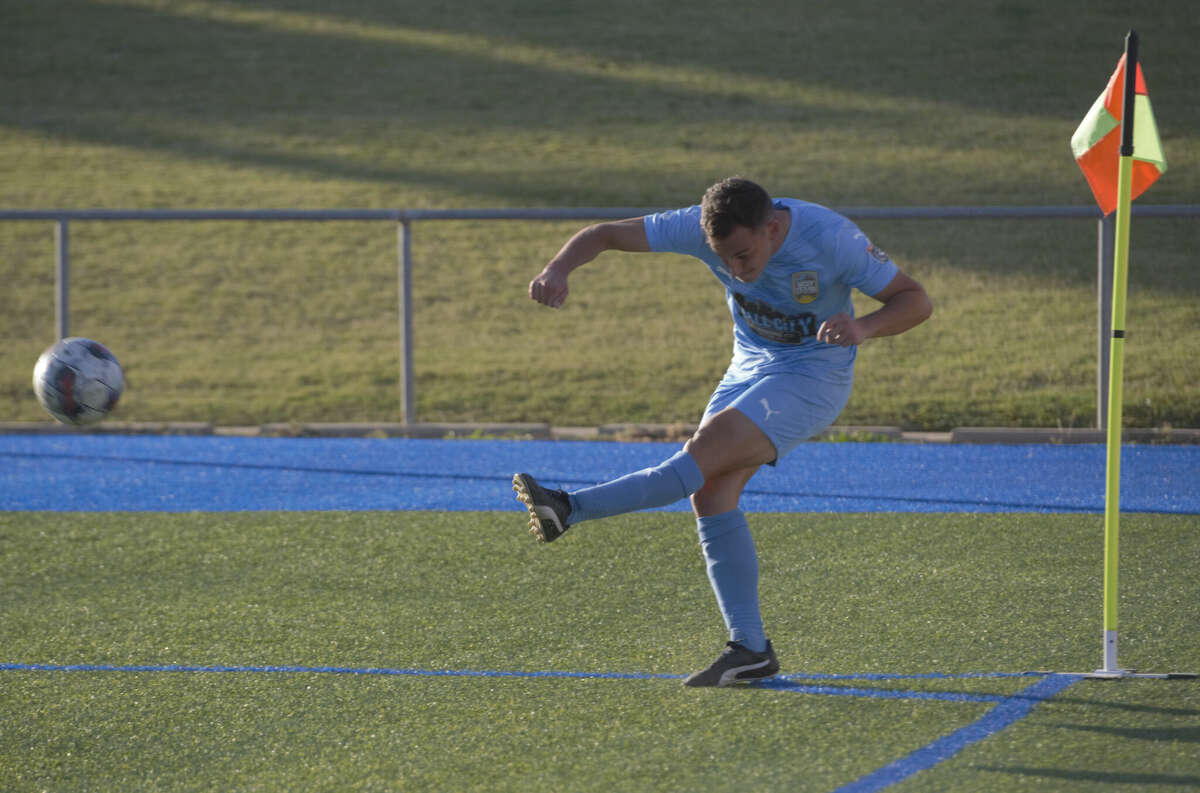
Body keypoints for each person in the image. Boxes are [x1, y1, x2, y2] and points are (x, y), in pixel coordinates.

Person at [512, 177, 932, 687]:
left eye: (744, 253)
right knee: (710, 493)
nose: (737, 269)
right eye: (724, 257)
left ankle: (571, 508)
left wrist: (862, 328)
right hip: (748, 368)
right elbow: (602, 234)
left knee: (693, 463)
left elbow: (915, 300)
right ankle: (750, 649)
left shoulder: (830, 238)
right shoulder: (697, 225)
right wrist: (557, 269)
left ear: (773, 226)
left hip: (811, 377)